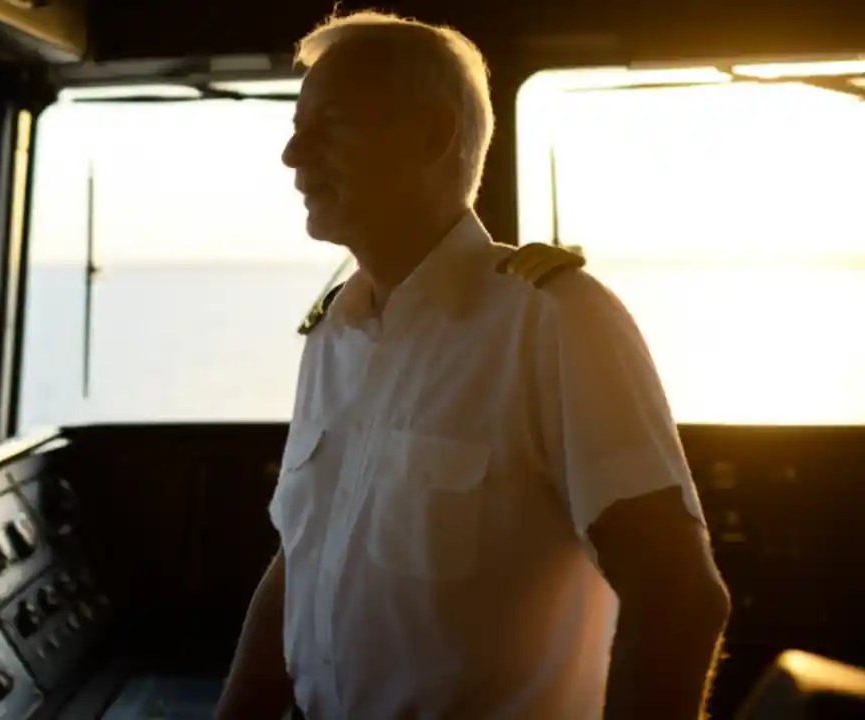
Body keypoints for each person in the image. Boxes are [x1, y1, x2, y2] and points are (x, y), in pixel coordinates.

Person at [215, 10, 730, 720]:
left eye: (329, 124)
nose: (293, 155)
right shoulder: (333, 334)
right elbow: (301, 563)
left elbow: (678, 597)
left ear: (432, 135)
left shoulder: (554, 321)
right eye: (297, 125)